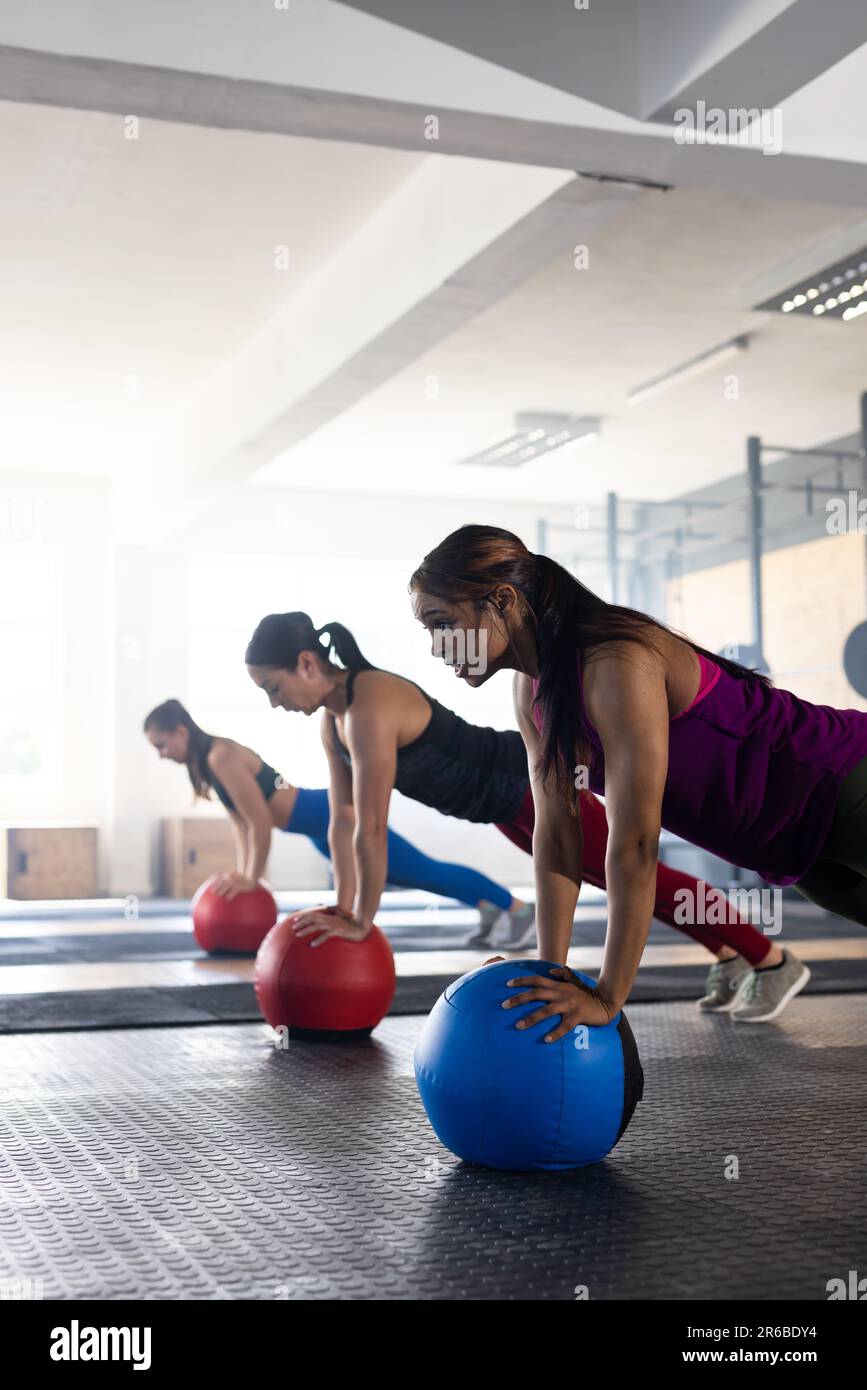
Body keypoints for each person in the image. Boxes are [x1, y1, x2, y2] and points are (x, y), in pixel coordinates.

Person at [409, 524, 867, 1032]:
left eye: (441, 622)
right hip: (794, 849)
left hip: (845, 783)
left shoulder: (613, 661)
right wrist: (547, 970)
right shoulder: (531, 694)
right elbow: (559, 835)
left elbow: (634, 842)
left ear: (502, 599)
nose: (436, 647)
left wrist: (608, 997)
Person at [244, 613, 788, 1011]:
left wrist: (364, 919)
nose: (274, 702)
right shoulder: (331, 722)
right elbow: (341, 820)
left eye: (274, 687)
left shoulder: (369, 704)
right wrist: (345, 908)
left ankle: (769, 960)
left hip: (530, 783)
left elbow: (373, 824)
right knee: (612, 879)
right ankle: (728, 954)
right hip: (504, 810)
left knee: (639, 876)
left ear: (308, 662)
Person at [143, 698, 523, 933]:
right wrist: (245, 875)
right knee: (407, 875)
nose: (161, 754)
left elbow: (259, 824)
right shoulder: (209, 765)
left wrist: (251, 879)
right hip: (318, 830)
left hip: (329, 813)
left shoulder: (221, 755)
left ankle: (514, 908)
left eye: (161, 744)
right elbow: (242, 824)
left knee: (421, 869)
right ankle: (489, 908)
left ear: (181, 732)